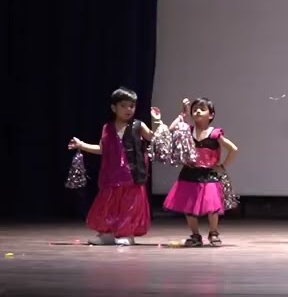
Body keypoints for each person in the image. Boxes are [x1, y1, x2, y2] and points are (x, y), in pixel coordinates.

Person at [67, 87, 156, 246]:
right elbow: (102, 149)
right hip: (112, 175)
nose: (128, 109)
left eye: (132, 106)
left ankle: (126, 233)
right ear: (114, 107)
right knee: (109, 204)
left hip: (132, 175)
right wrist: (81, 145)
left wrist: (157, 121)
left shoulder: (138, 125)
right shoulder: (107, 128)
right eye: (123, 105)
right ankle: (107, 233)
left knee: (129, 205)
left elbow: (154, 138)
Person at [163, 97, 239, 247]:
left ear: (211, 115)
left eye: (202, 109)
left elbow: (233, 149)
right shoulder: (188, 130)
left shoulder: (215, 134)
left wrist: (222, 166)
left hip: (208, 174)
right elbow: (171, 130)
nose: (197, 111)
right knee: (188, 207)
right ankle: (195, 235)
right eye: (194, 109)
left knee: (212, 207)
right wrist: (182, 114)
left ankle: (213, 233)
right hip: (189, 173)